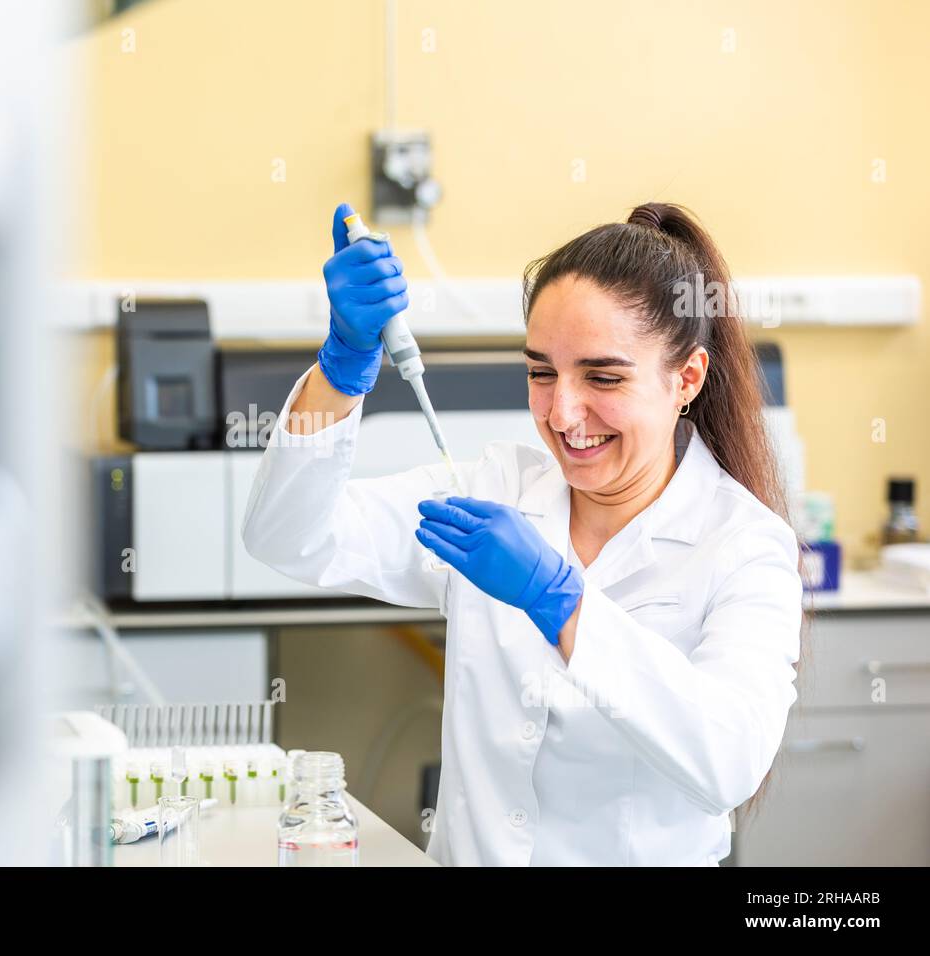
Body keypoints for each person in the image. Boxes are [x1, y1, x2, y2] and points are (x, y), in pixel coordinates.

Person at [241, 201, 804, 866]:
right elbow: (289, 537)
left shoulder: (745, 546)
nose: (563, 412)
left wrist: (562, 602)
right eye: (542, 372)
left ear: (686, 378)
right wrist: (340, 371)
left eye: (602, 376)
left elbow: (727, 761)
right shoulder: (494, 491)